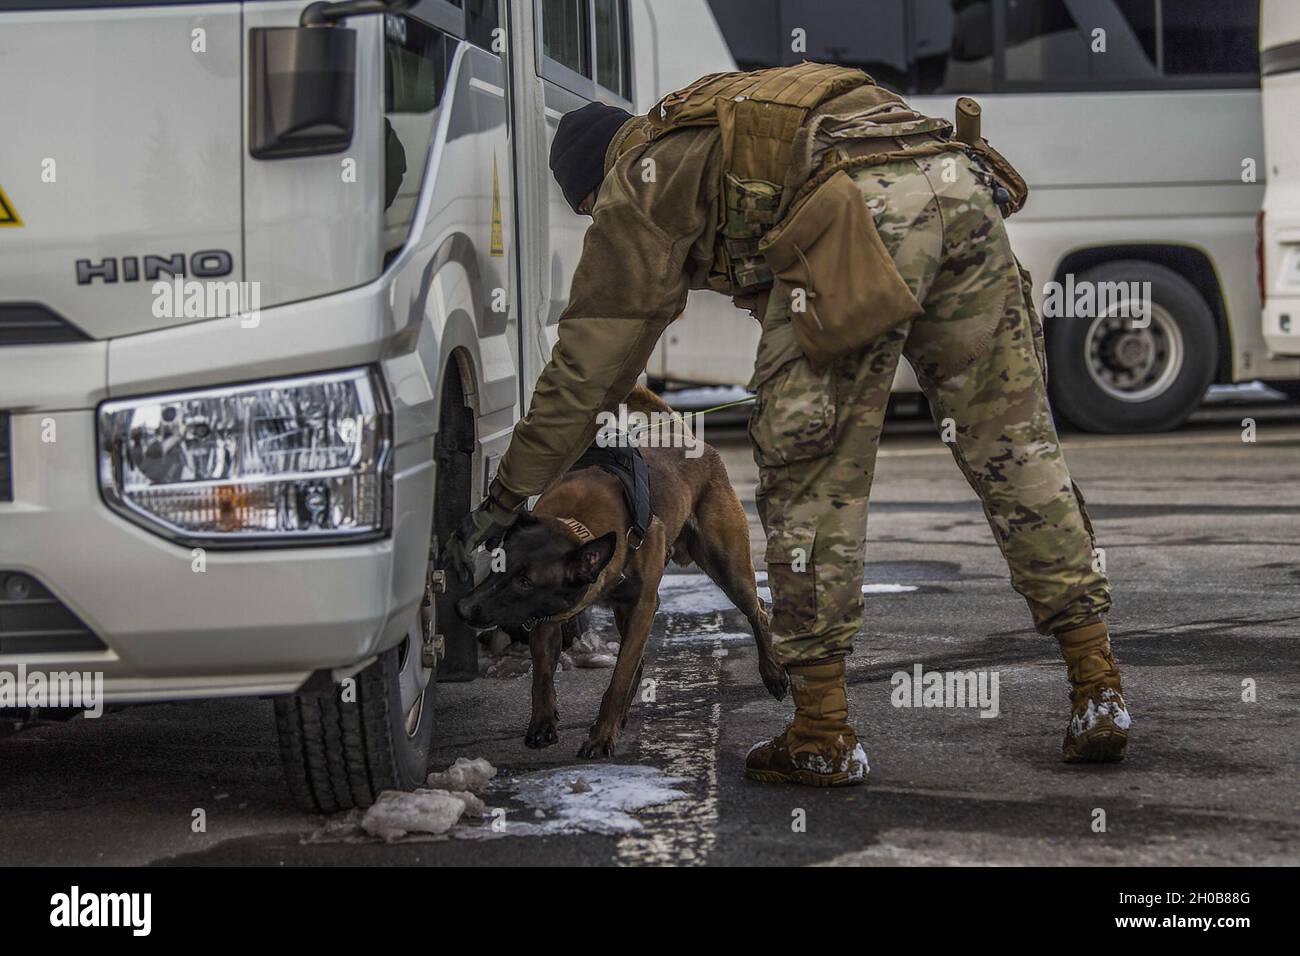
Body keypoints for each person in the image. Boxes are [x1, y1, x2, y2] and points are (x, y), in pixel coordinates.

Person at [446, 63, 1130, 786]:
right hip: (959, 188)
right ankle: (1098, 688)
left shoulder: (635, 179)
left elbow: (588, 368)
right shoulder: (715, 124)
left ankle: (822, 732)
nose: (594, 222)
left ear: (592, 186)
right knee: (1017, 451)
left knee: (812, 478)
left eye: (586, 210)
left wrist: (505, 498)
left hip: (854, 213)